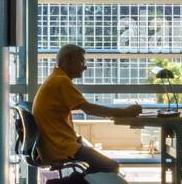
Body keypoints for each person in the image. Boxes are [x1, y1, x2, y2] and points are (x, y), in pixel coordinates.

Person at [32, 43, 141, 175]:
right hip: (61, 147)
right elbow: (89, 109)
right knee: (111, 167)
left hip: (54, 145)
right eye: (81, 61)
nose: (85, 67)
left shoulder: (54, 79)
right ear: (68, 60)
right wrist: (124, 112)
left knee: (99, 166)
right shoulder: (61, 81)